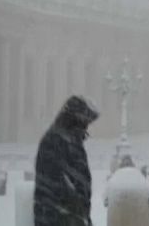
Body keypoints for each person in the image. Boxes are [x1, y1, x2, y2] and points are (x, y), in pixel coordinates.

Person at [34, 95, 99, 226]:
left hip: (69, 217)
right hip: (58, 218)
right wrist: (76, 213)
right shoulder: (56, 141)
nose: (86, 128)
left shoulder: (70, 141)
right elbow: (62, 185)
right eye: (84, 122)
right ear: (74, 119)